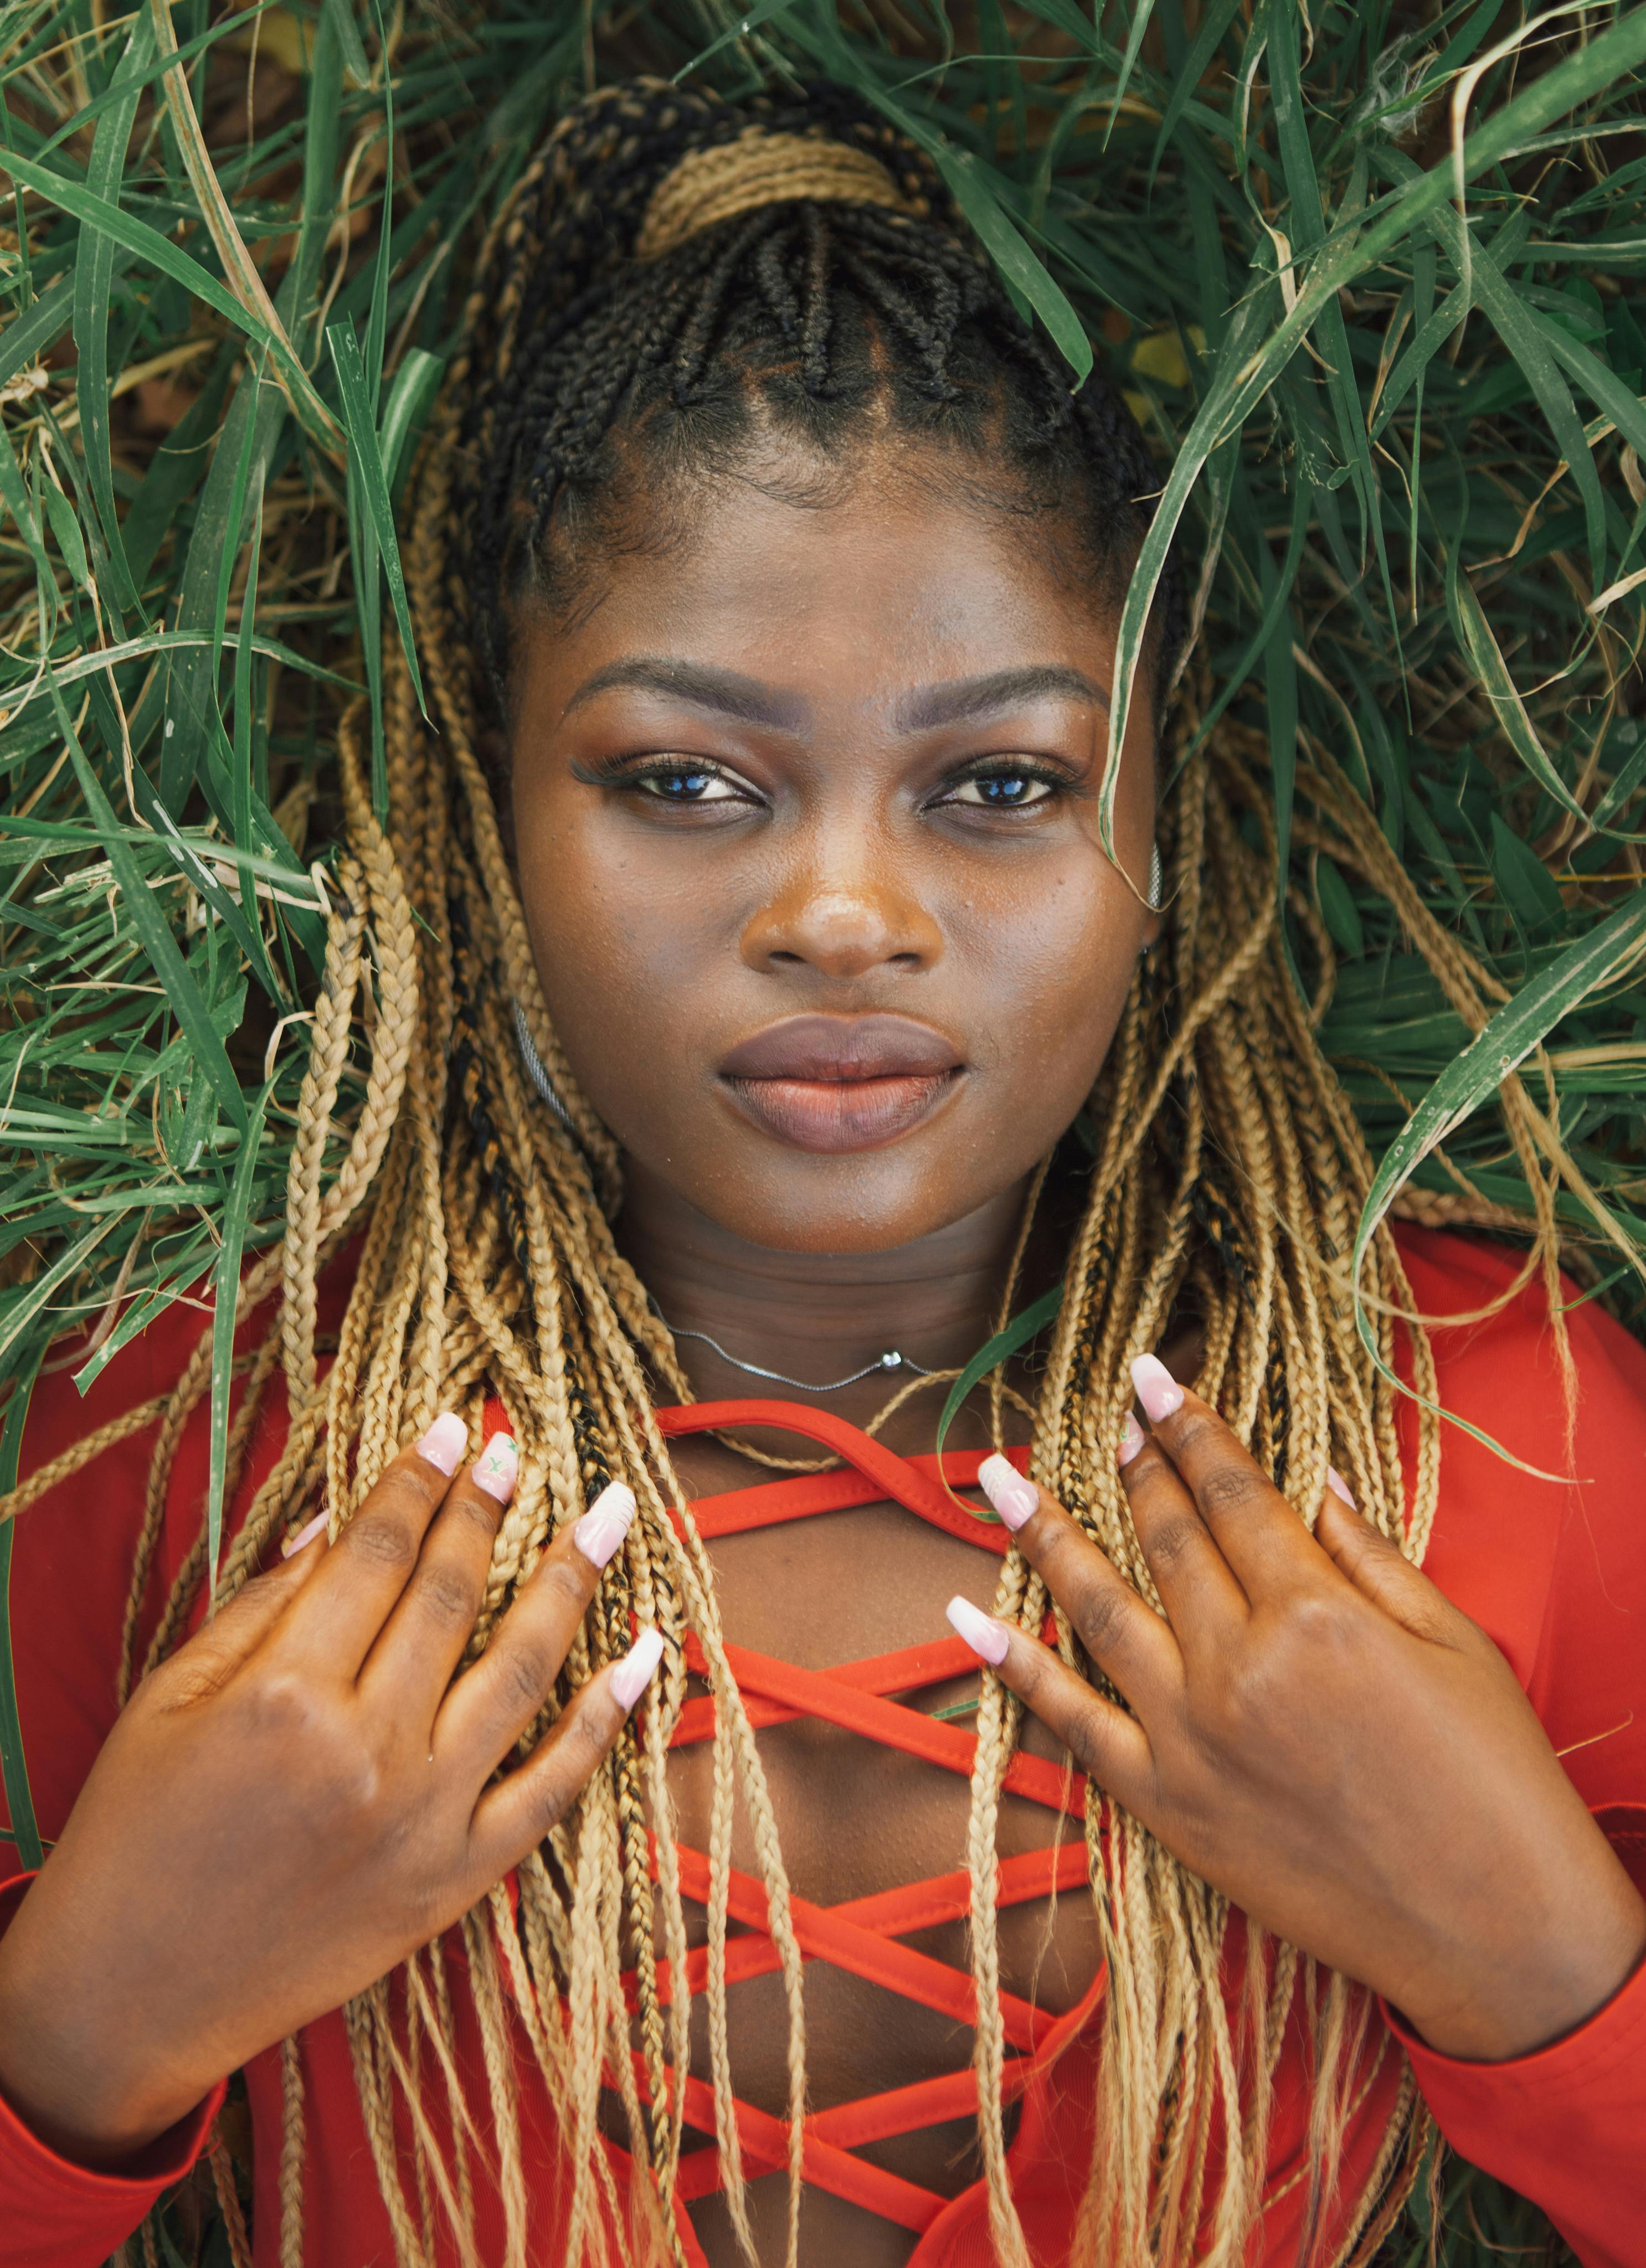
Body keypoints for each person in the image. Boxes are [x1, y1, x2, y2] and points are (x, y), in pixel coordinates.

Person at [2, 77, 1643, 2268]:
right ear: (479, 814)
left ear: (1161, 828)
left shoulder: (1488, 1428)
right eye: (685, 776)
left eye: (991, 782)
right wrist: (83, 2031)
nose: (845, 912)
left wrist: (1533, 1961)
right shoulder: (186, 1443)